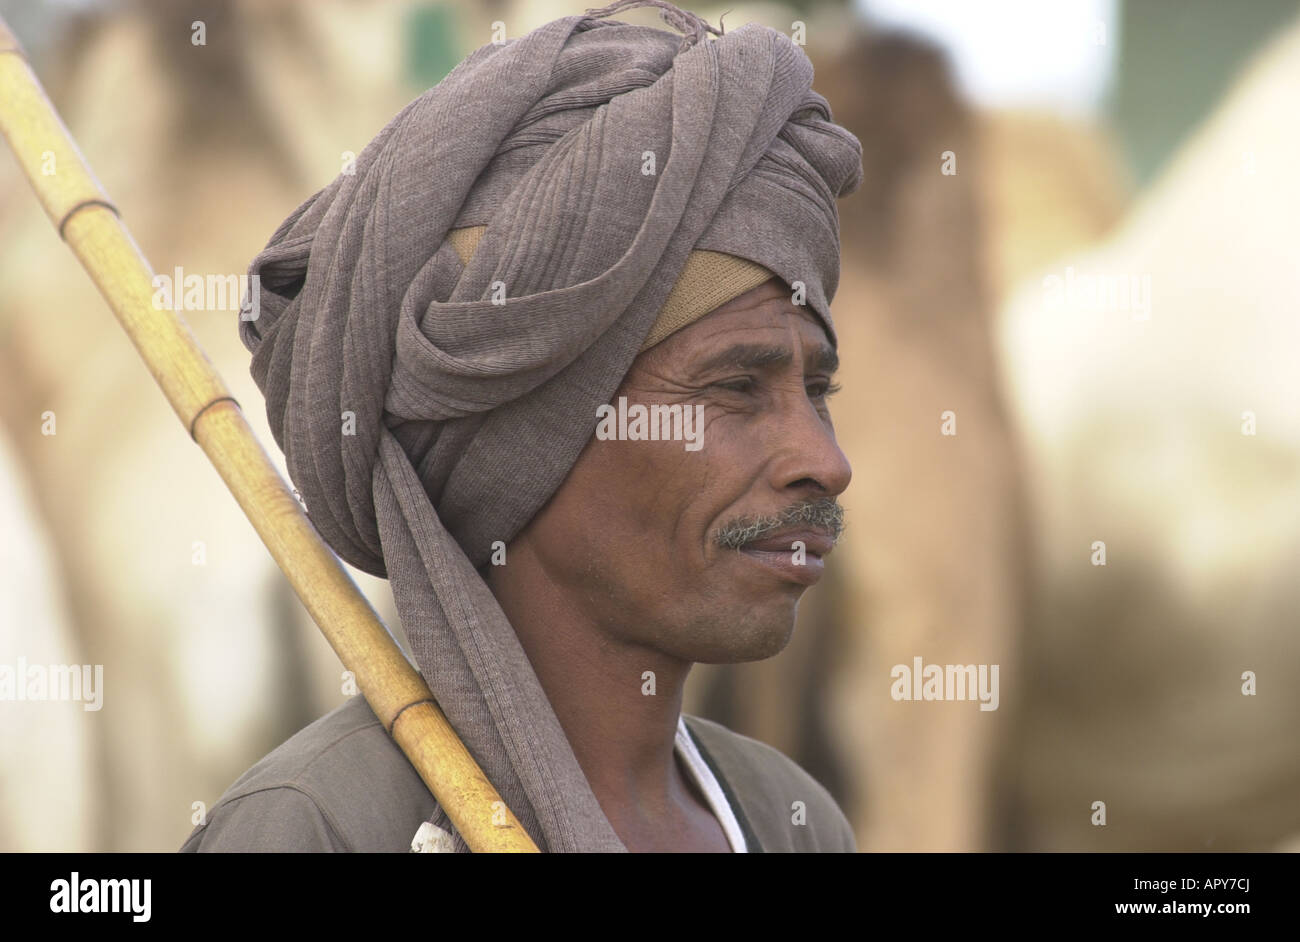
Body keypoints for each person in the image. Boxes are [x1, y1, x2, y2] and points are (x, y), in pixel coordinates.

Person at [181, 0, 862, 853]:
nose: (824, 462)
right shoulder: (315, 832)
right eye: (733, 389)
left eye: (819, 388)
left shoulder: (789, 823)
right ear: (520, 440)